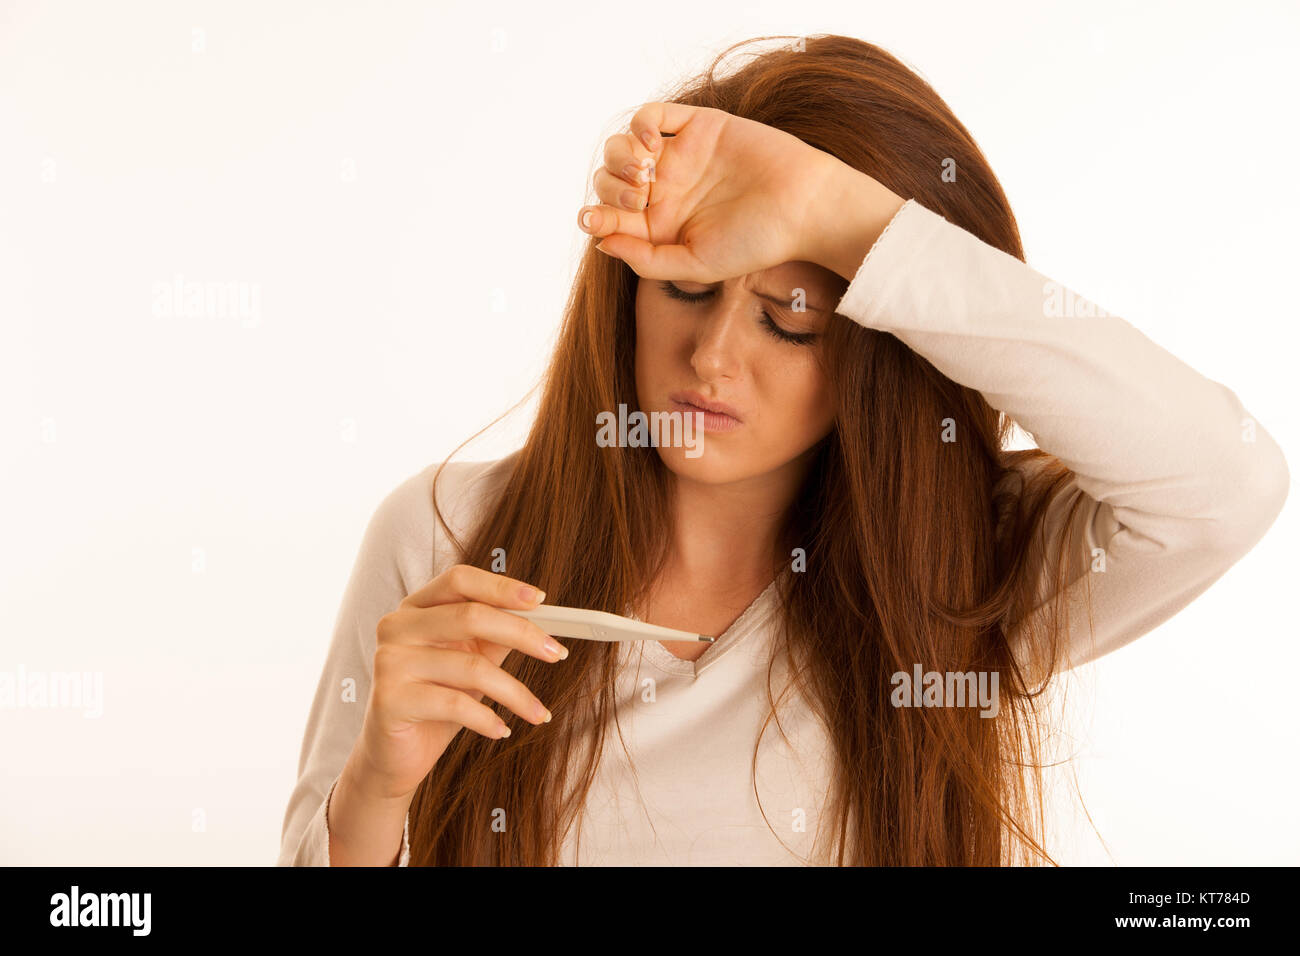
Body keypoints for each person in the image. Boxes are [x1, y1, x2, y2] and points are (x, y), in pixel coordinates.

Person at [277, 35, 1288, 866]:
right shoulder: (448, 538)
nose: (714, 357)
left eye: (793, 319)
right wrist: (377, 785)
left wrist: (840, 215)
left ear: (882, 344)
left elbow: (1225, 482)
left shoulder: (966, 575)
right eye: (685, 289)